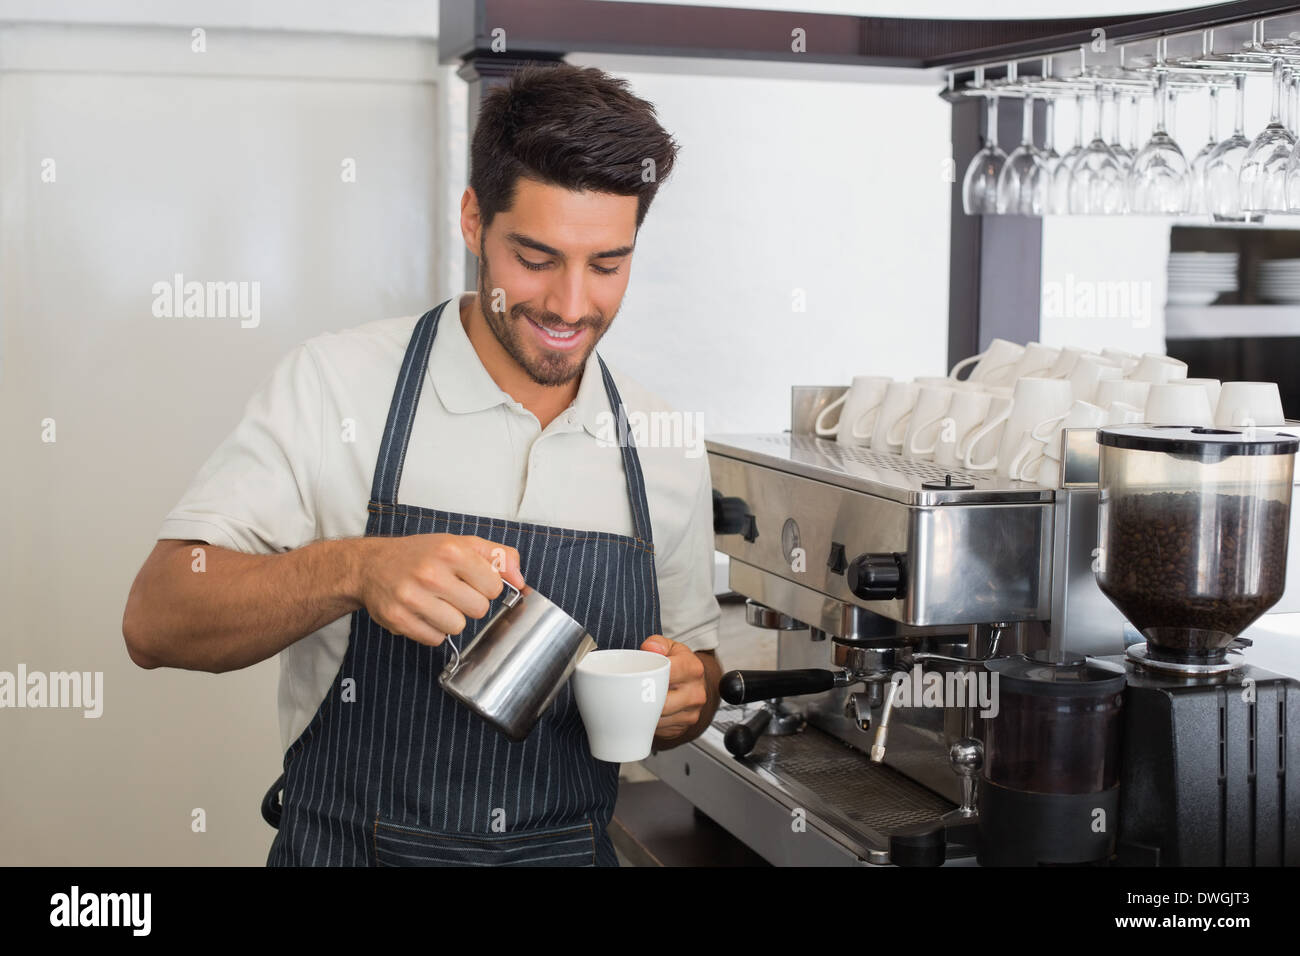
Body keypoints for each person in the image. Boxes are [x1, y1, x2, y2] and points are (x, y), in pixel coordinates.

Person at [122, 62, 723, 867]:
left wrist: (692, 696)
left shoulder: (664, 442)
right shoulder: (335, 384)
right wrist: (352, 571)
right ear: (474, 220)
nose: (571, 305)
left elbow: (696, 661)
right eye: (536, 258)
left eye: (607, 265)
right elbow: (157, 617)